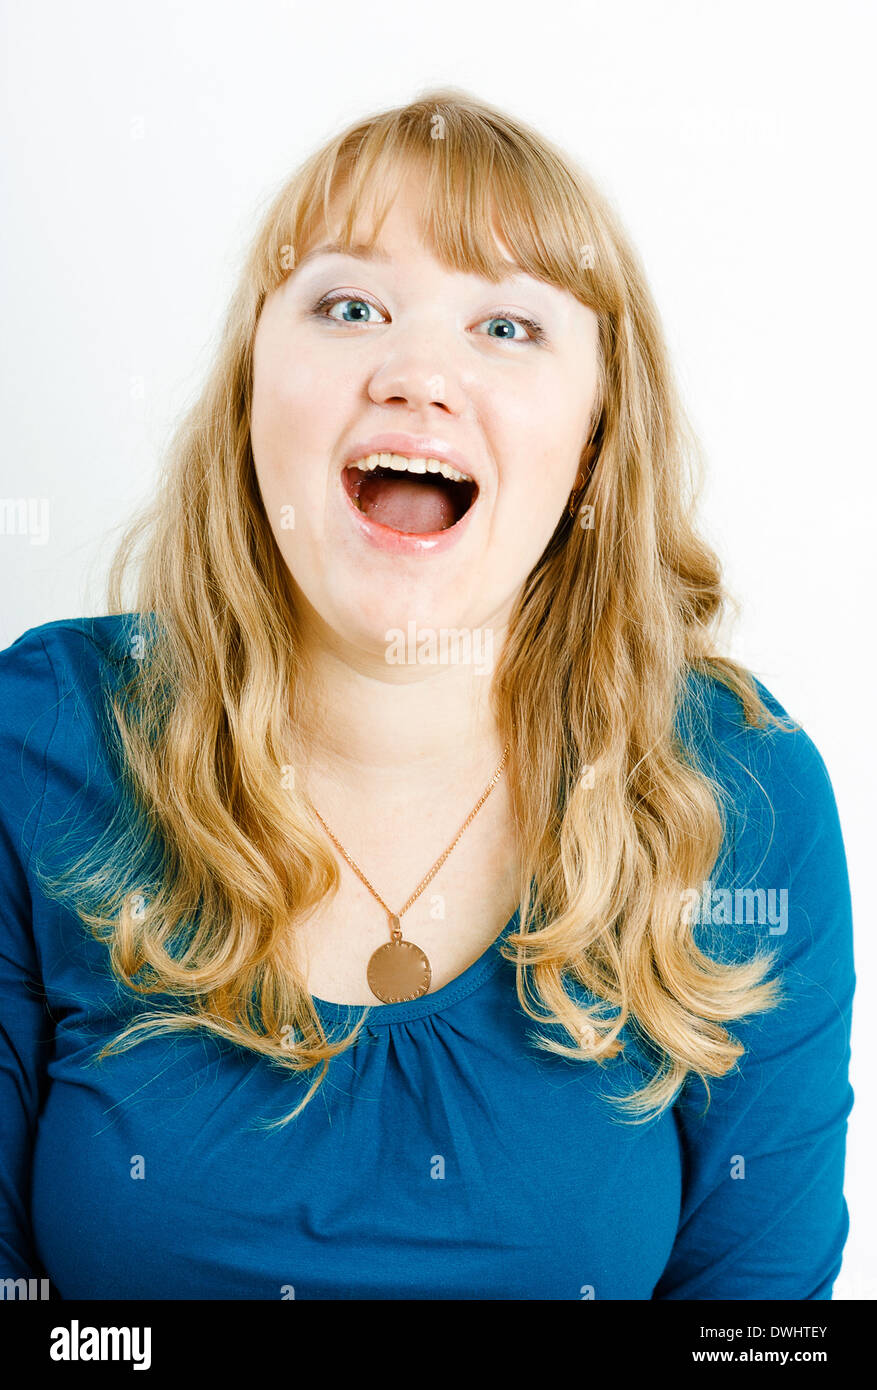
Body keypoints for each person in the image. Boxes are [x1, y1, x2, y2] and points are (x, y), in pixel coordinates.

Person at [0, 88, 855, 1300]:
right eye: (350, 306)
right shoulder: (41, 734)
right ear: (253, 389)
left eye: (507, 327)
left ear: (594, 441)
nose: (417, 373)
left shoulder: (738, 795)